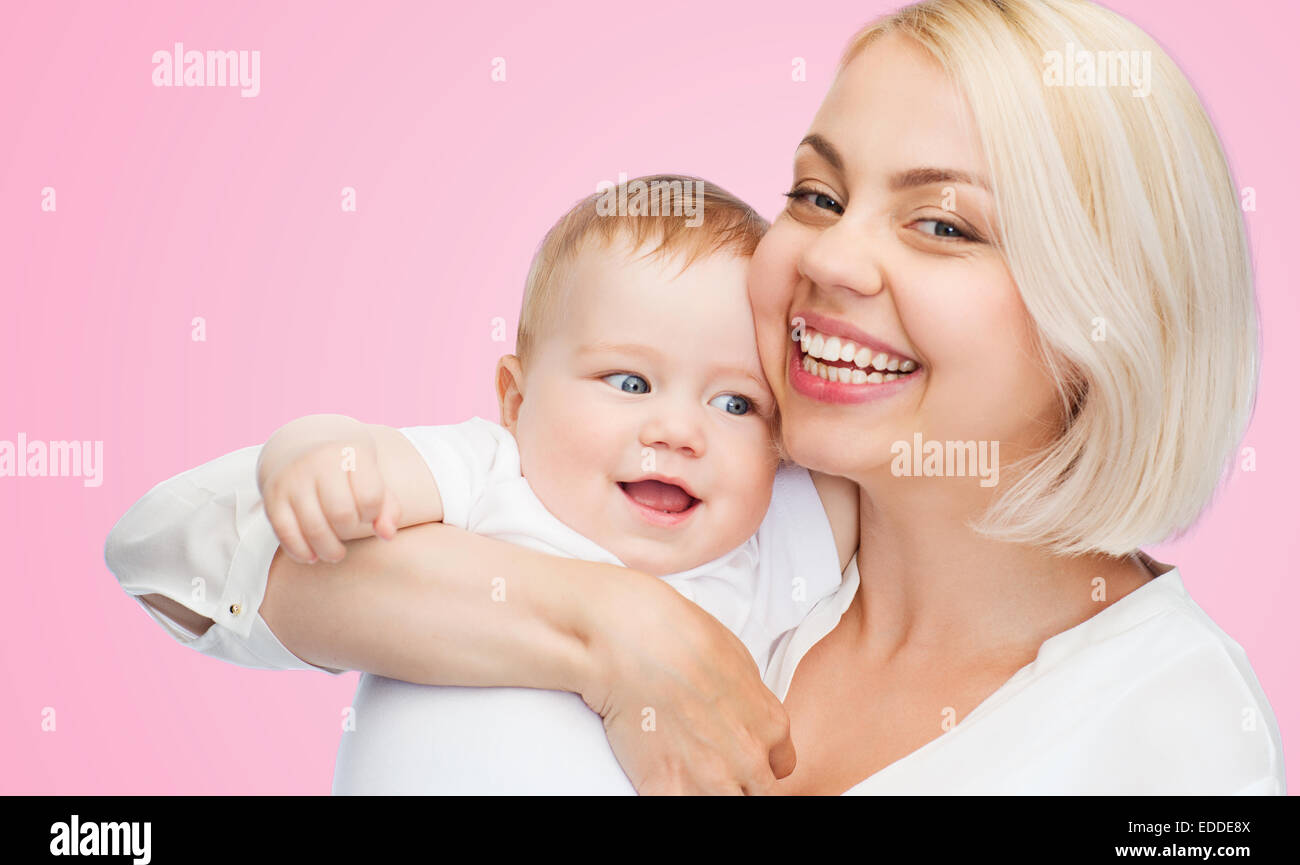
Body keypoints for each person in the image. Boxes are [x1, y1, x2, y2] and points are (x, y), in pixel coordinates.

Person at [107, 0, 1285, 795]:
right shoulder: (717, 501)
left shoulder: (1175, 729)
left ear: (1106, 319)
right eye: (817, 196)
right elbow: (179, 555)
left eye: (940, 223)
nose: (828, 258)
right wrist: (616, 629)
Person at [105, 176, 856, 793]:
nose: (679, 431)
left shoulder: (757, 553)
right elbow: (352, 463)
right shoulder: (491, 474)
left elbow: (880, 482)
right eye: (630, 381)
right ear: (516, 400)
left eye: (736, 404)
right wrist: (306, 456)